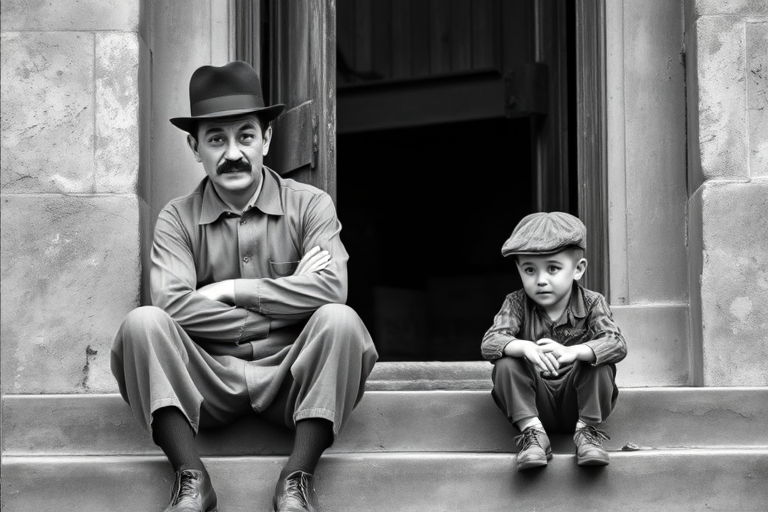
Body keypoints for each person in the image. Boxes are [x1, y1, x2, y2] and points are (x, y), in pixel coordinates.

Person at [110, 60, 378, 512]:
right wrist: (288, 296)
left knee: (340, 321)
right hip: (207, 379)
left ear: (267, 140)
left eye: (245, 137)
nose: (232, 153)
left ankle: (297, 477)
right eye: (216, 139)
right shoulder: (176, 218)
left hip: (290, 378)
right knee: (142, 324)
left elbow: (333, 288)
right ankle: (191, 478)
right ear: (196, 147)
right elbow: (173, 306)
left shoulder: (310, 205)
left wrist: (229, 290)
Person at [480, 212, 626, 471]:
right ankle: (534, 436)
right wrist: (524, 346)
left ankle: (587, 433)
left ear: (578, 269)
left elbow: (615, 343)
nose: (541, 280)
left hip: (578, 402)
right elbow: (490, 341)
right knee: (505, 362)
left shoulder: (593, 302)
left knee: (600, 361)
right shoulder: (516, 303)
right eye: (529, 270)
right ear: (519, 271)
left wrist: (575, 352)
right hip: (536, 404)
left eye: (553, 268)